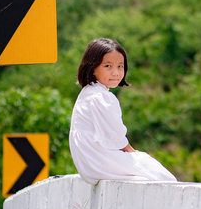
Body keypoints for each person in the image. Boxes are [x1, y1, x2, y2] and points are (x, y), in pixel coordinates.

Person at [69, 37, 177, 185]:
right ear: (93, 68)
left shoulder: (88, 92)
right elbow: (115, 137)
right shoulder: (101, 97)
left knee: (150, 171)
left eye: (120, 66)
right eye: (108, 66)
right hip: (100, 162)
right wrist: (135, 153)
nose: (115, 72)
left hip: (89, 165)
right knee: (160, 174)